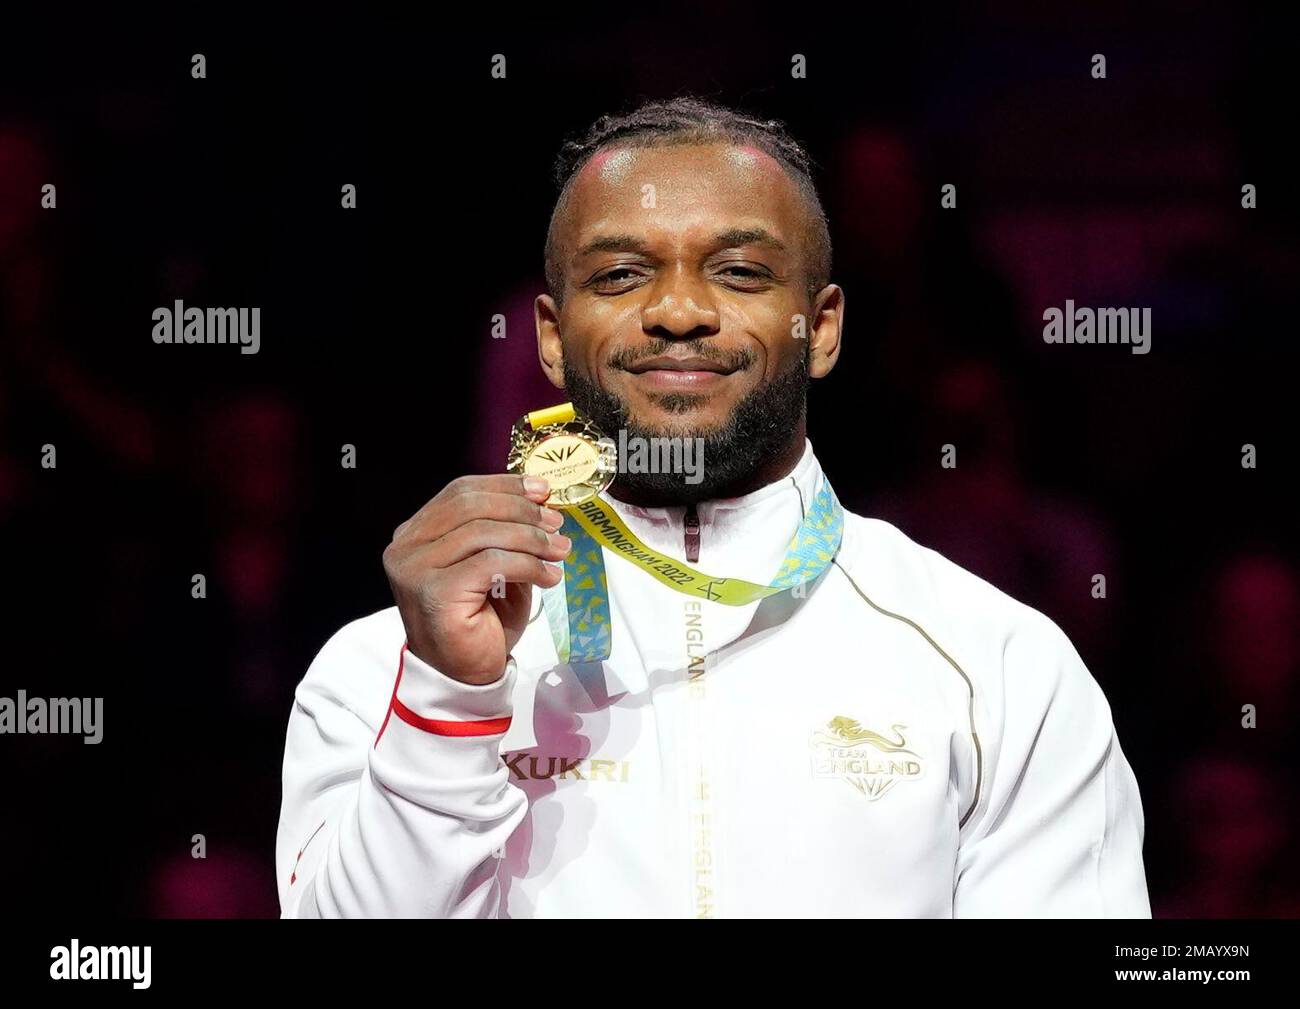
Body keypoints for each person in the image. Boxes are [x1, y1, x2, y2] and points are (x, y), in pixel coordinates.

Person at [275, 97, 1150, 918]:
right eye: (621, 274)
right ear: (550, 337)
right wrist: (447, 703)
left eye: (738, 271)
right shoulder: (382, 672)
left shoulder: (1002, 667)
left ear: (823, 328)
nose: (679, 311)